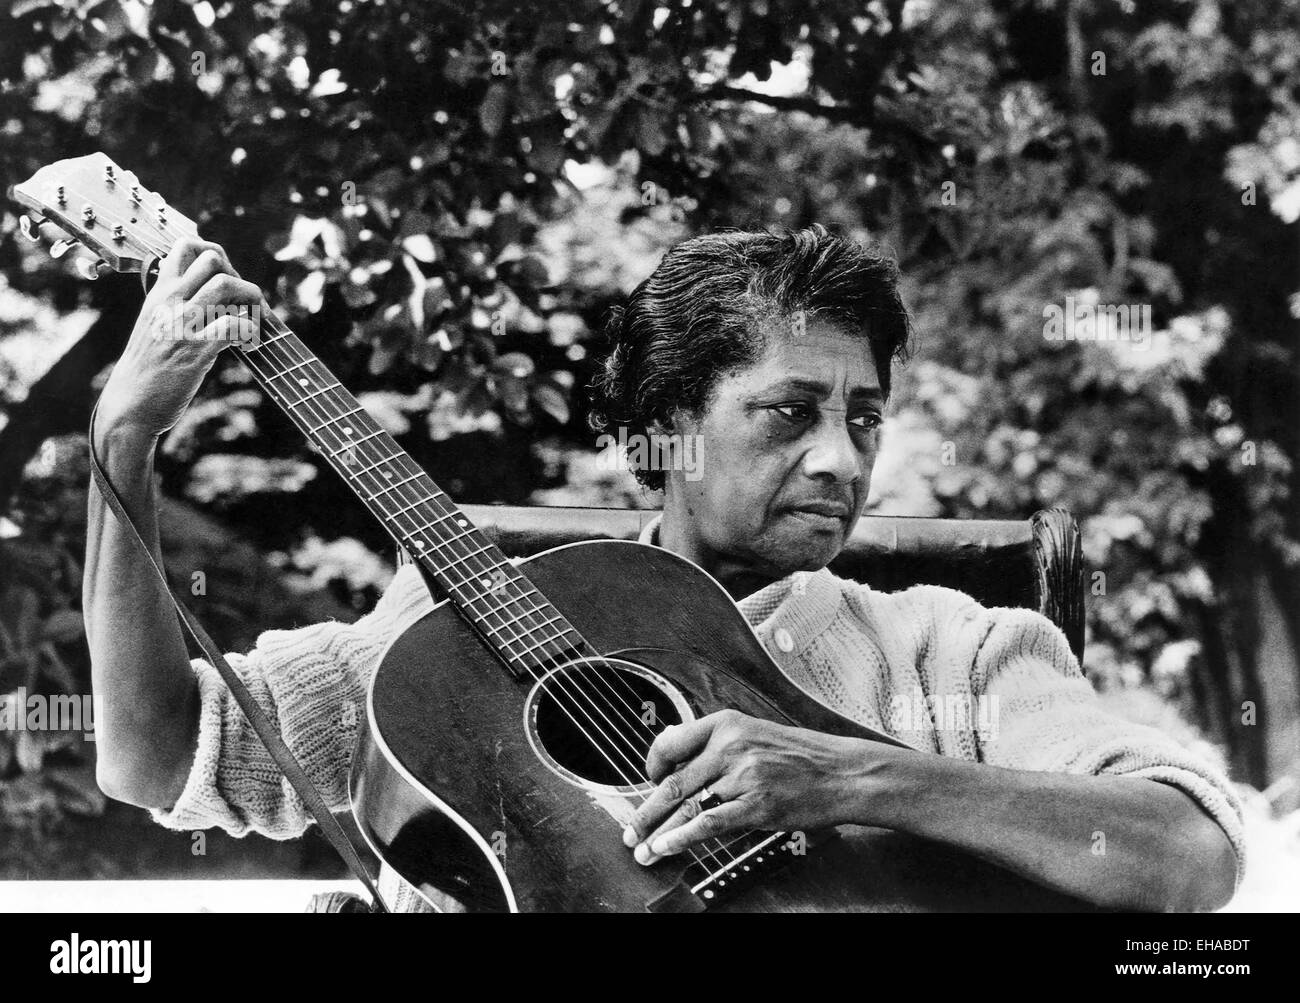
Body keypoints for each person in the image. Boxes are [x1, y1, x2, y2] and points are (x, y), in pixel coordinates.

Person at [84, 226, 1243, 912]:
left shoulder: (958, 644)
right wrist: (124, 443)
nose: (839, 457)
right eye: (789, 413)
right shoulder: (434, 651)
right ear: (662, 431)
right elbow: (150, 756)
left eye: (865, 415)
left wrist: (849, 778)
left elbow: (1186, 851)